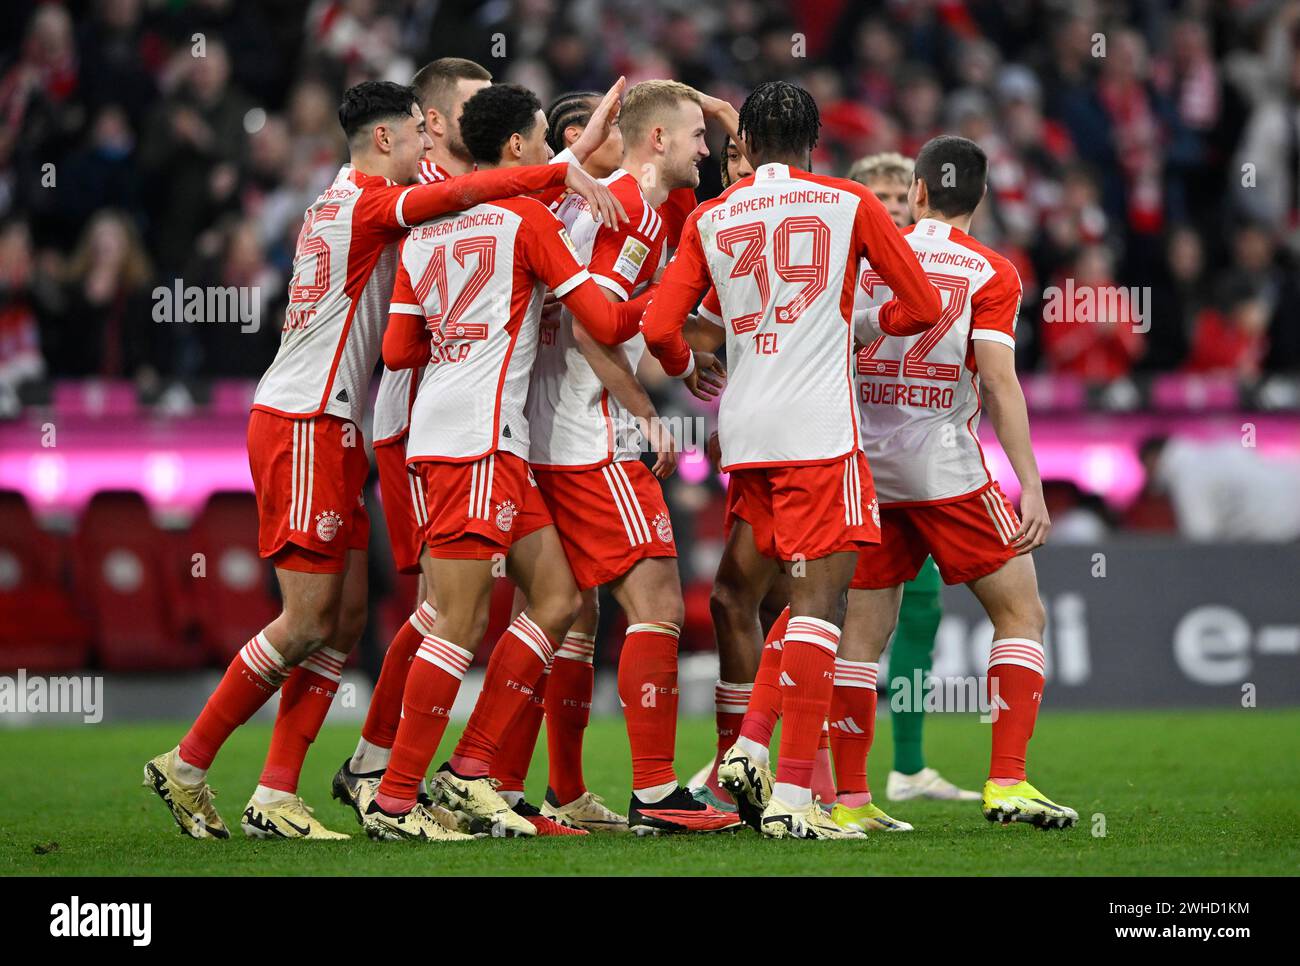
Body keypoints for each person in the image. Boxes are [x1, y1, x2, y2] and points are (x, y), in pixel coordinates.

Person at [142, 79, 627, 842]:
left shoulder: (349, 203)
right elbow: (482, 190)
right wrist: (564, 166)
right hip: (307, 420)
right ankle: (190, 761)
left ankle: (275, 794)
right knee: (309, 620)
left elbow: (454, 225)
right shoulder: (367, 205)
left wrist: (565, 156)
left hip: (341, 426)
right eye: (416, 138)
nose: (427, 150)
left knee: (344, 622)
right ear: (383, 141)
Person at [359, 84, 672, 842]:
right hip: (480, 440)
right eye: (540, 137)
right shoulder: (528, 220)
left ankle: (471, 772)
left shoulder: (428, 230)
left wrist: (462, 337)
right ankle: (397, 798)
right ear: (518, 149)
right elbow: (600, 318)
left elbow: (399, 350)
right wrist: (668, 299)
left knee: (557, 597)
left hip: (450, 433)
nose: (546, 150)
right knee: (460, 622)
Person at [640, 80, 942, 840]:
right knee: (817, 609)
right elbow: (924, 307)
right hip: (818, 434)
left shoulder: (712, 216)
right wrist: (859, 322)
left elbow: (659, 328)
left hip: (744, 436)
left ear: (746, 144)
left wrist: (687, 367)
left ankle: (745, 752)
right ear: (812, 142)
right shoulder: (849, 203)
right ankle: (794, 798)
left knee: (757, 595)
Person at [518, 80, 737, 834]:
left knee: (569, 619)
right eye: (696, 137)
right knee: (657, 605)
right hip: (592, 434)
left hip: (546, 431)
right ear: (657, 142)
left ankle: (538, 787)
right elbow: (598, 325)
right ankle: (654, 790)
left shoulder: (598, 202)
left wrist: (677, 351)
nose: (706, 151)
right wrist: (649, 416)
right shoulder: (633, 207)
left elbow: (631, 313)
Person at [844, 135, 1077, 830]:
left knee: (859, 639)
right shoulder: (992, 272)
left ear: (915, 192)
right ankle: (1006, 782)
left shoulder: (865, 257)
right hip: (944, 468)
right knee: (1021, 613)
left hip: (866, 470)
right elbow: (999, 385)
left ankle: (851, 801)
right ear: (980, 198)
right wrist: (1030, 483)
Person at [846, 152, 980, 807]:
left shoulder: (929, 264)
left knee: (915, 608)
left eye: (903, 194)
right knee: (803, 614)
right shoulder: (851, 255)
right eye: (881, 194)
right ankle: (767, 757)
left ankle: (903, 766)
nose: (895, 205)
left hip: (912, 467)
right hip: (846, 461)